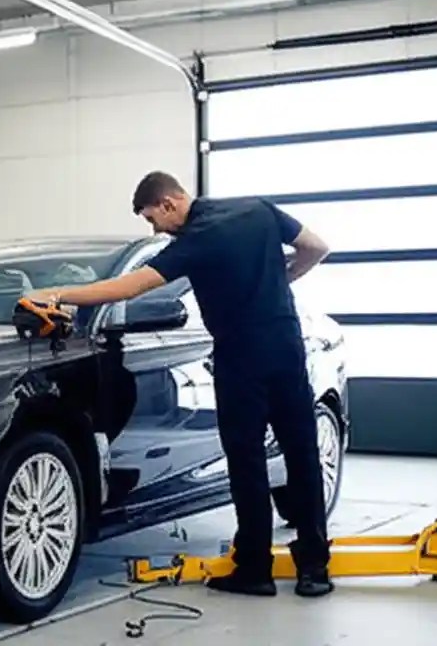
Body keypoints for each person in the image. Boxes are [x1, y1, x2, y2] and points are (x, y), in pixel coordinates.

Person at [26, 171, 334, 598]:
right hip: (285, 348)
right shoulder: (258, 210)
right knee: (302, 457)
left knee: (246, 464)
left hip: (240, 358)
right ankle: (315, 569)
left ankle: (256, 571)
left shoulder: (195, 241)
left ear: (169, 203)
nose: (156, 230)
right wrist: (282, 279)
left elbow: (129, 287)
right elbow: (316, 247)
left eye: (154, 220)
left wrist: (59, 294)